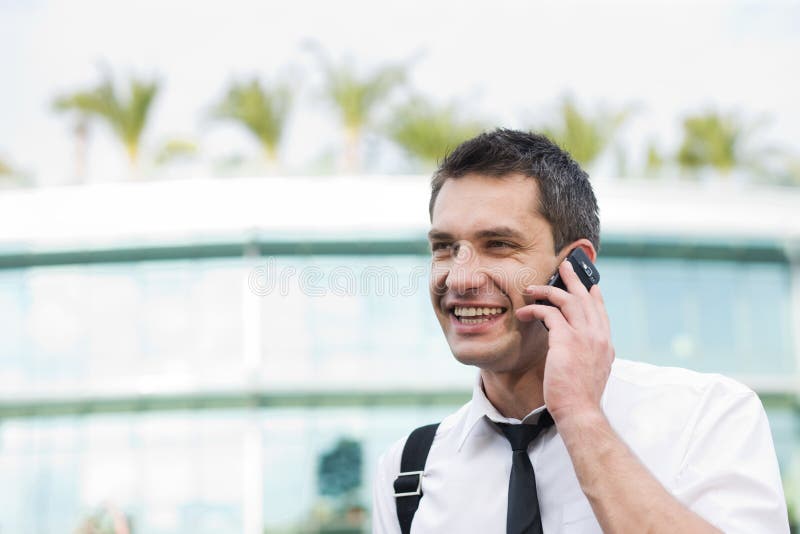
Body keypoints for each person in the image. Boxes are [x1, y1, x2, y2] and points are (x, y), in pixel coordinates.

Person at [372, 129, 789, 533]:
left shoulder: (708, 416)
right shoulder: (409, 471)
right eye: (444, 247)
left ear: (574, 268)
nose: (459, 279)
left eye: (499, 244)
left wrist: (580, 416)